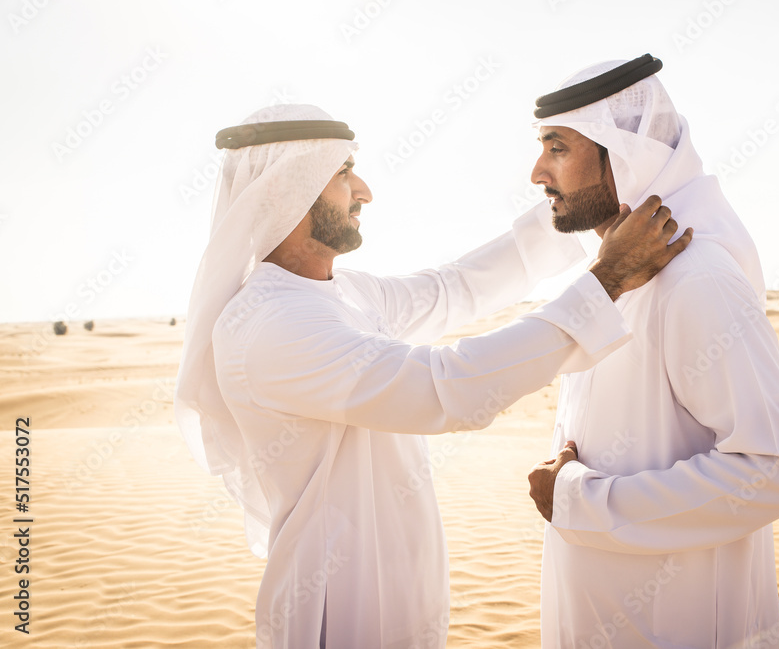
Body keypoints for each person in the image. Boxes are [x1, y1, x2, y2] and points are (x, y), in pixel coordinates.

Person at [174, 103, 692, 649]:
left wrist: (581, 202)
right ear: (284, 191)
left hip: (405, 597)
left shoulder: (347, 292)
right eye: (343, 173)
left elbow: (459, 287)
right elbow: (446, 389)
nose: (365, 190)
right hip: (334, 610)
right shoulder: (270, 326)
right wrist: (606, 278)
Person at [526, 55, 779, 648]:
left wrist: (579, 500)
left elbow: (777, 471)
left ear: (622, 155)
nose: (536, 172)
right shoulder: (611, 278)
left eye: (557, 148)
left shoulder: (696, 278)